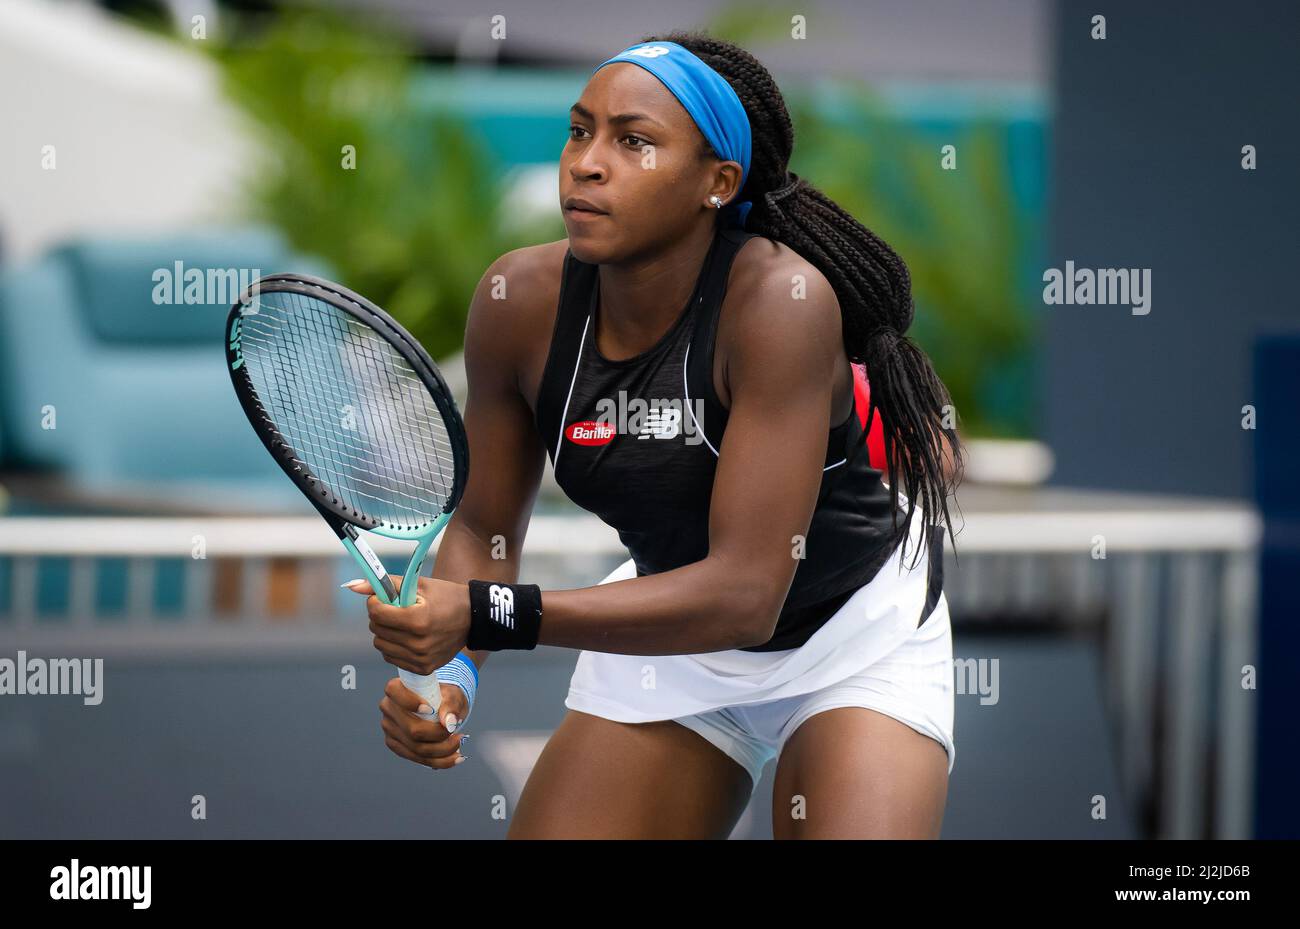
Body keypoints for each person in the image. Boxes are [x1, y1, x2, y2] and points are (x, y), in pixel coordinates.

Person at [345, 32, 963, 839]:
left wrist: (487, 614)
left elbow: (746, 594)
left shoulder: (781, 302)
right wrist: (456, 672)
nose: (587, 162)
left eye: (633, 141)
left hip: (852, 633)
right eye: (579, 130)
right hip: (674, 634)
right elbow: (484, 527)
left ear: (718, 182)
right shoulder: (517, 301)